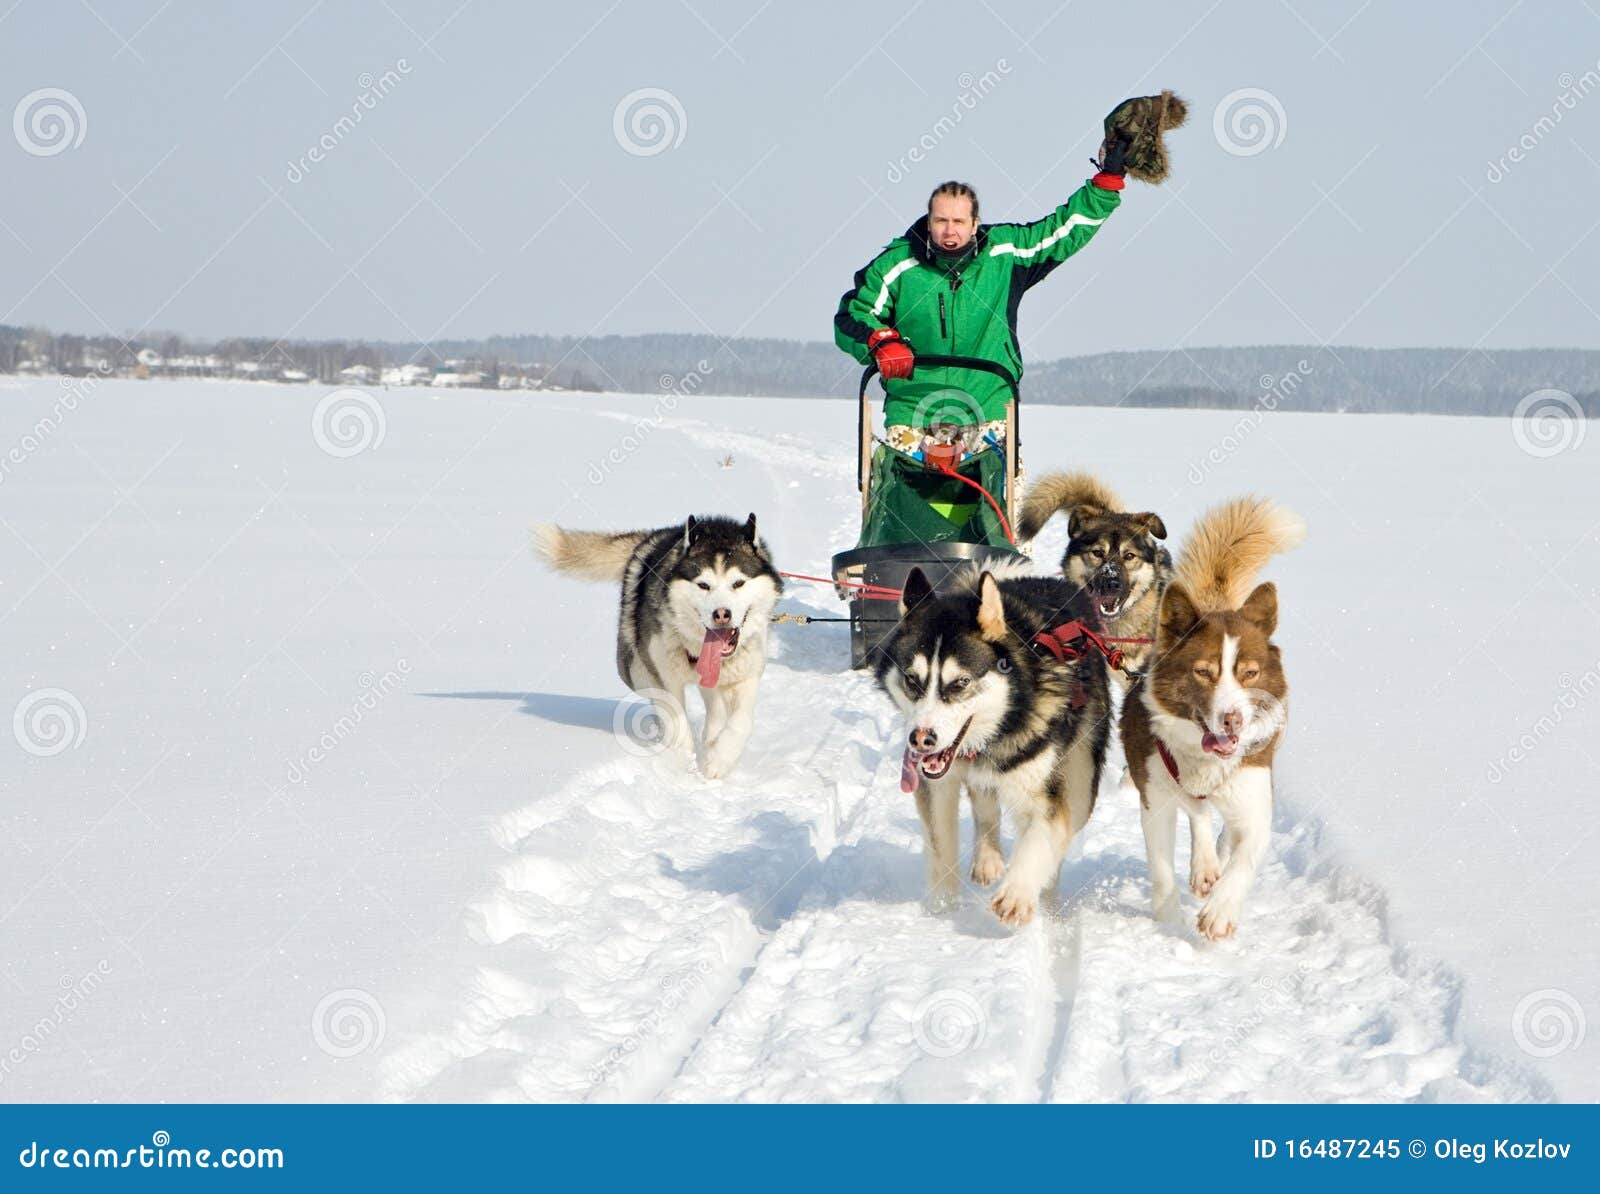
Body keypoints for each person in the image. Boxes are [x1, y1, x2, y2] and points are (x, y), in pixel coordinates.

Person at [834, 133, 1132, 463]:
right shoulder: (898, 265)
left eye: (959, 221)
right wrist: (880, 342)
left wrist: (1106, 182)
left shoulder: (1004, 253)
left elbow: (1063, 231)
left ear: (975, 223)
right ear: (928, 222)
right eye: (941, 221)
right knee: (893, 482)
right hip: (914, 407)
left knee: (1001, 488)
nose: (950, 231)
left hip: (987, 403)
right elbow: (852, 316)